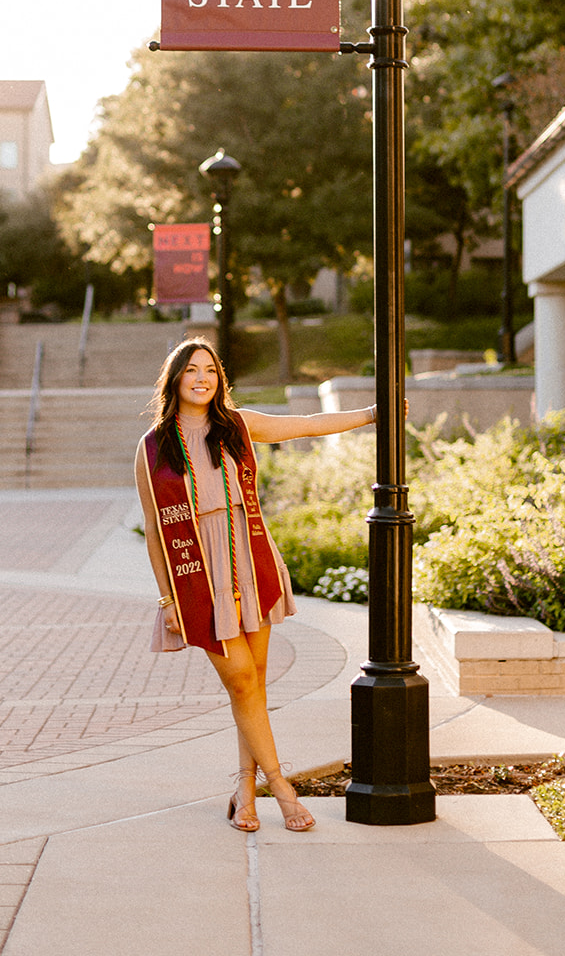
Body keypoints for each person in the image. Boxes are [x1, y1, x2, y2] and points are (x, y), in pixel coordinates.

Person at [134, 336, 377, 834]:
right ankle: (281, 789)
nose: (201, 378)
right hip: (199, 574)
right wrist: (168, 598)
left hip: (250, 561)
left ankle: (244, 792)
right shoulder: (153, 447)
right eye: (191, 370)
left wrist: (373, 413)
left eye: (209, 370)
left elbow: (306, 425)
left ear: (219, 379)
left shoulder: (237, 427)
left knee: (254, 688)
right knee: (242, 680)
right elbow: (156, 532)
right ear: (175, 380)